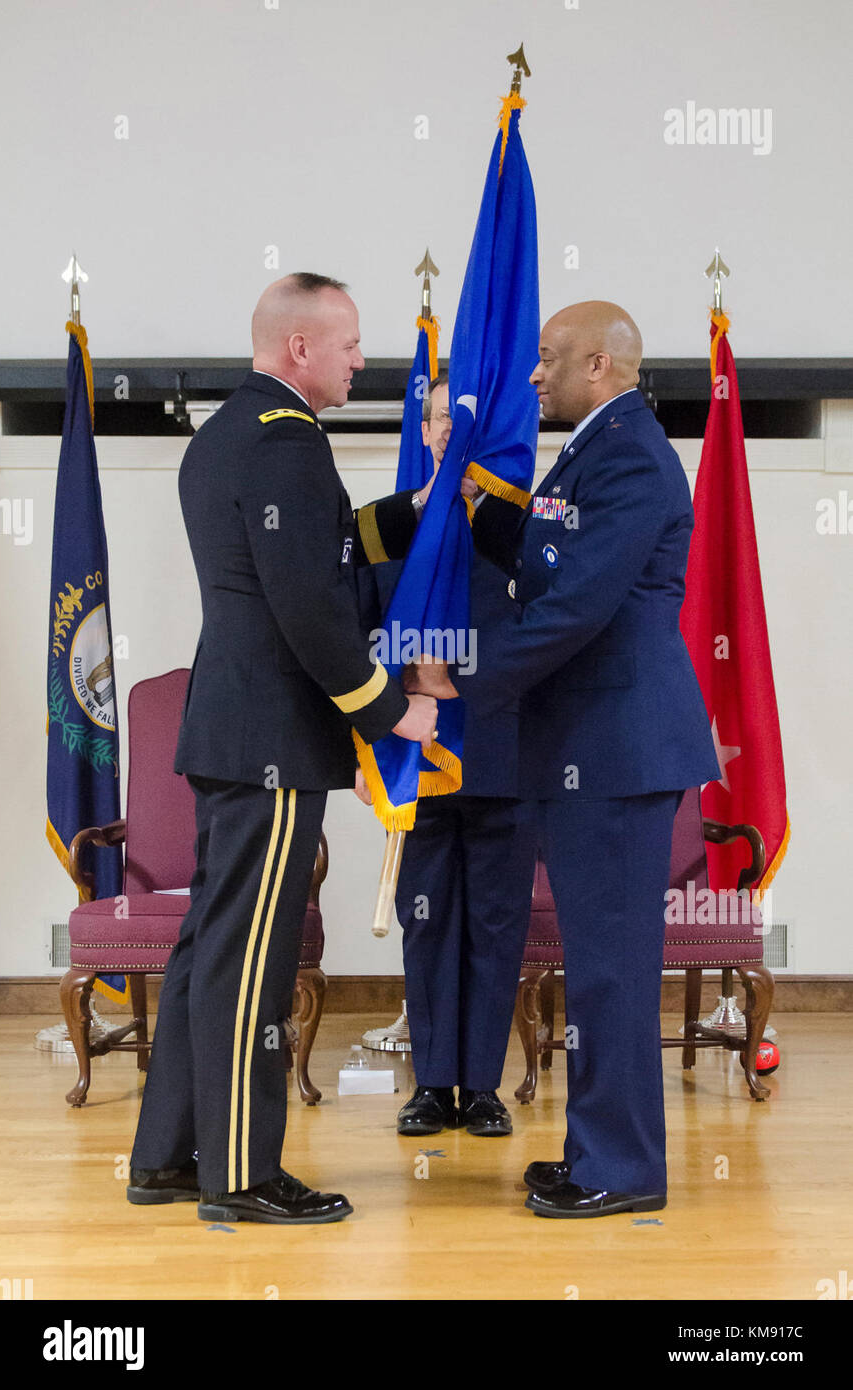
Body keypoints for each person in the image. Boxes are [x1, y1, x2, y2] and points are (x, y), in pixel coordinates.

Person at [128, 273, 439, 1226]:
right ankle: (241, 1176)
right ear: (299, 348)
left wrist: (415, 509)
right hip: (271, 739)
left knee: (207, 952)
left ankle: (168, 1158)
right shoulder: (292, 448)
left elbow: (323, 553)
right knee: (250, 964)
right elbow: (309, 605)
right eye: (348, 344)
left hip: (234, 731)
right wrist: (390, 710)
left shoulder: (232, 435)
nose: (361, 360)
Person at [464, 301, 720, 1216]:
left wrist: (461, 685)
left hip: (616, 751)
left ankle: (621, 1171)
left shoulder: (635, 456)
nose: (534, 376)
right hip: (589, 746)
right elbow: (549, 559)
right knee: (598, 963)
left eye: (548, 359)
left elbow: (576, 609)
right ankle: (594, 1154)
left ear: (601, 365)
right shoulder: (598, 445)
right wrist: (486, 517)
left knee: (610, 969)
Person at [358, 374, 538, 1137]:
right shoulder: (392, 525)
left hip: (504, 750)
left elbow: (548, 627)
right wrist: (371, 743)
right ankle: (433, 1083)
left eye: (460, 422)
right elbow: (358, 632)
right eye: (437, 420)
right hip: (416, 751)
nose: (446, 432)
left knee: (496, 923)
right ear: (426, 432)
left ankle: (484, 1085)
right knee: (427, 919)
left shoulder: (523, 525)